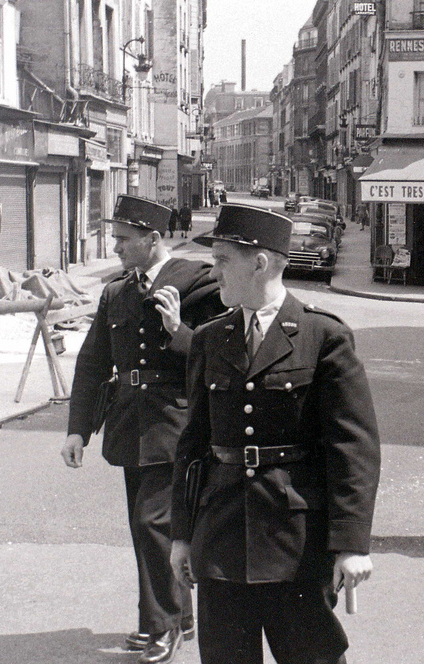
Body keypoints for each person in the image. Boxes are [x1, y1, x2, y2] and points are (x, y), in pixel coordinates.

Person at [169, 204, 381, 664]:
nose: (215, 272)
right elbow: (192, 446)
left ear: (259, 262)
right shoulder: (208, 337)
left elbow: (353, 448)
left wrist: (351, 544)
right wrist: (182, 535)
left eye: (224, 260)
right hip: (220, 536)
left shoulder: (322, 335)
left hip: (295, 543)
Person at [62, 194, 227, 664]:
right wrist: (78, 430)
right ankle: (174, 617)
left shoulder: (199, 285)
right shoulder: (118, 291)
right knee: (148, 529)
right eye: (114, 238)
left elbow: (221, 359)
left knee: (153, 522)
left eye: (123, 239)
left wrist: (178, 331)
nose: (114, 247)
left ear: (153, 239)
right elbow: (93, 362)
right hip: (130, 422)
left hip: (176, 423)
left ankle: (164, 626)